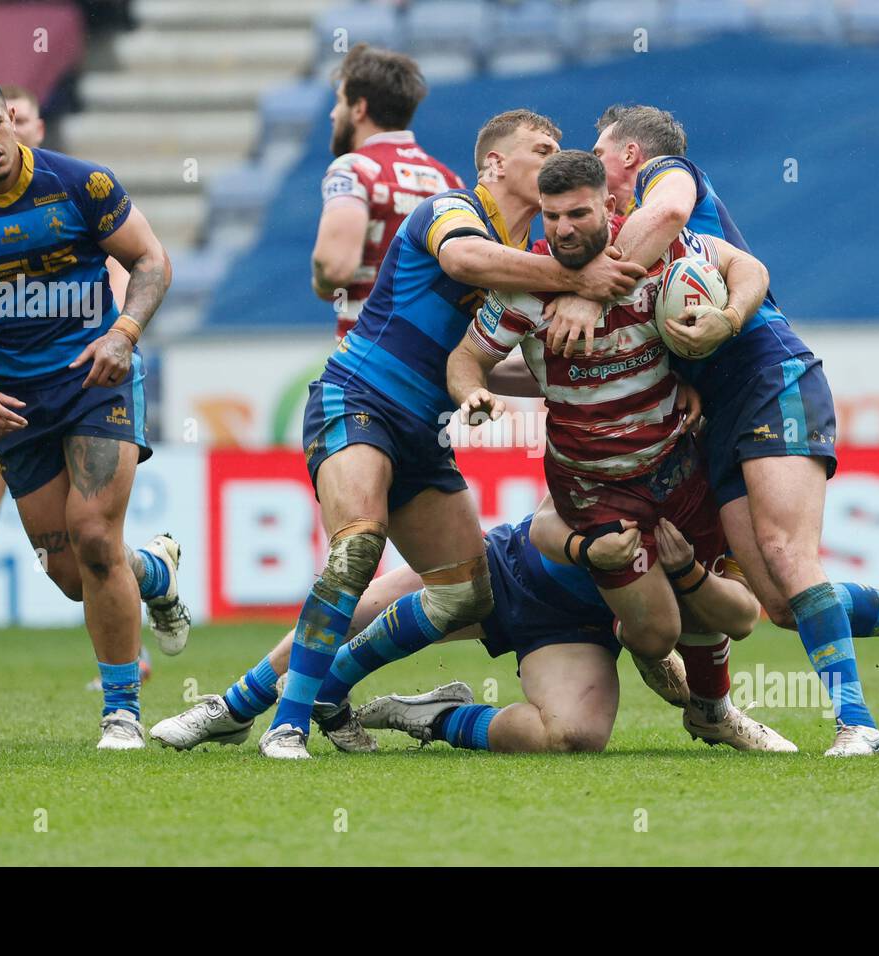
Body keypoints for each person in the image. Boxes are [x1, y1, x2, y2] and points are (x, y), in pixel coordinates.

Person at [547, 105, 879, 755]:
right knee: (781, 602)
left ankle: (858, 724)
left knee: (787, 552)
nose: (594, 168)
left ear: (632, 154)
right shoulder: (614, 244)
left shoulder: (666, 179)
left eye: (600, 152)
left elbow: (681, 224)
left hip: (768, 374)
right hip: (720, 410)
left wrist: (597, 295)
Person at [252, 109, 646, 759]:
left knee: (464, 594)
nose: (554, 156)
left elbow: (498, 357)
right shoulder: (451, 209)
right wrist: (579, 283)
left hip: (426, 434)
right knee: (358, 554)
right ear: (494, 163)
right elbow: (462, 262)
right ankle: (282, 720)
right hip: (362, 395)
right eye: (540, 148)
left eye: (559, 149)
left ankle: (266, 703)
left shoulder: (532, 258)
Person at [447, 149, 787, 749]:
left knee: (734, 615)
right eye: (551, 218)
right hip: (594, 490)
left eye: (577, 214)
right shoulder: (529, 285)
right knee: (657, 636)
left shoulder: (663, 261)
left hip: (677, 466)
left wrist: (728, 320)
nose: (562, 230)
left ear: (609, 206)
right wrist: (472, 392)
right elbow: (465, 357)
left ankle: (713, 711)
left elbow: (750, 268)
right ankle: (641, 635)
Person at [0, 73, 189, 748]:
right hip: (12, 403)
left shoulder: (81, 185)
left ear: (11, 118)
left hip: (95, 380)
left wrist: (124, 334)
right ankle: (155, 572)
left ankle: (121, 712)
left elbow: (150, 260)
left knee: (91, 536)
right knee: (68, 574)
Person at [150, 509, 792, 754]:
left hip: (573, 629)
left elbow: (724, 618)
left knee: (573, 738)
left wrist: (676, 669)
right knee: (364, 605)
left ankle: (438, 716)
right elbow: (549, 513)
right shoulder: (625, 420)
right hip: (515, 566)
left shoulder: (730, 508)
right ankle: (234, 708)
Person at [311, 43, 464, 340]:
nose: (333, 114)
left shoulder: (354, 169)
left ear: (359, 108)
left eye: (339, 101)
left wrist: (321, 282)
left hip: (368, 359)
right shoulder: (450, 181)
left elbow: (335, 268)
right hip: (432, 358)